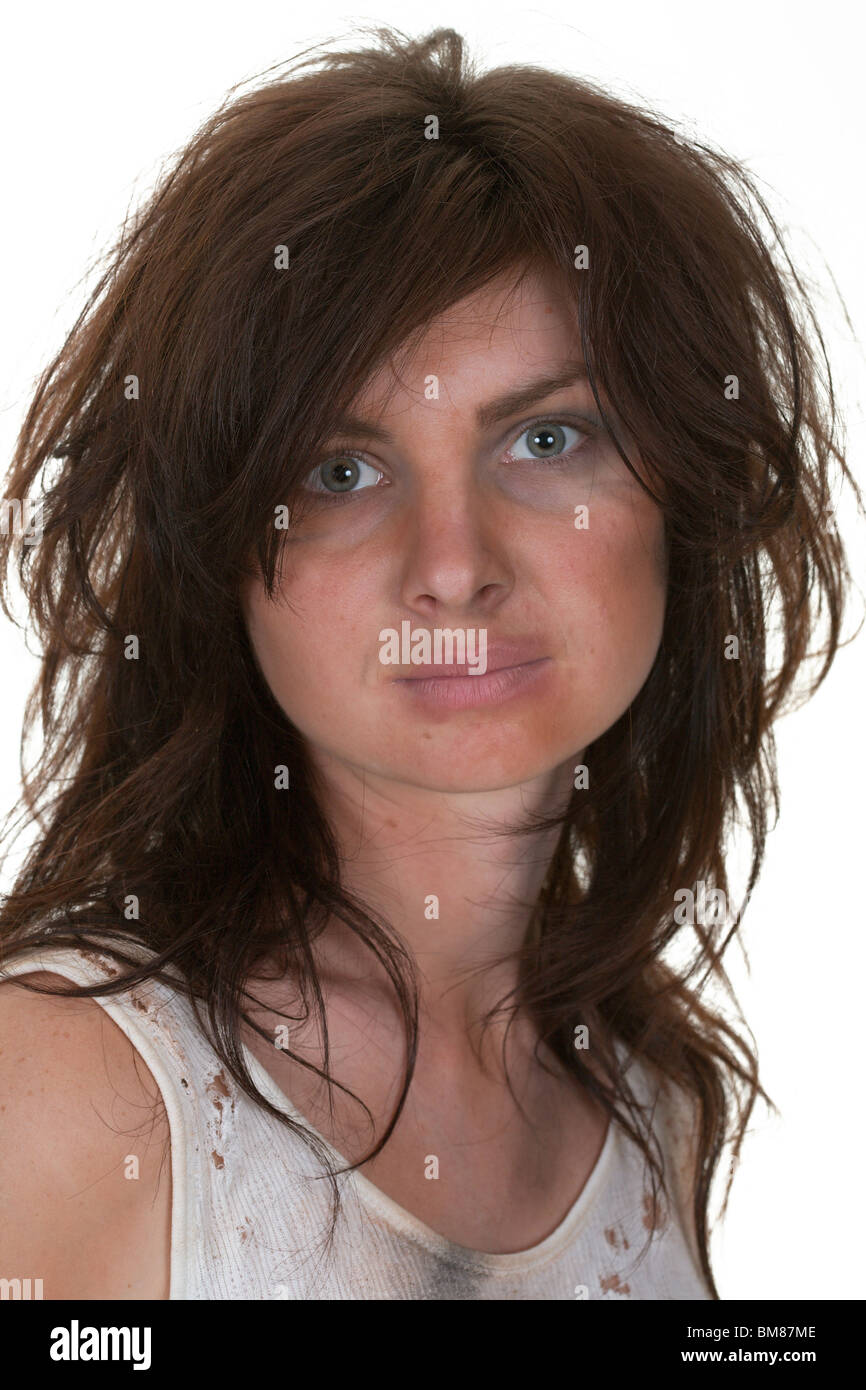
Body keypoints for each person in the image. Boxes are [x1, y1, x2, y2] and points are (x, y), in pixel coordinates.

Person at [0, 25, 858, 1301]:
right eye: (339, 471)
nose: (451, 565)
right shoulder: (65, 1089)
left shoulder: (648, 1104)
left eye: (547, 438)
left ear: (685, 498)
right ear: (220, 555)